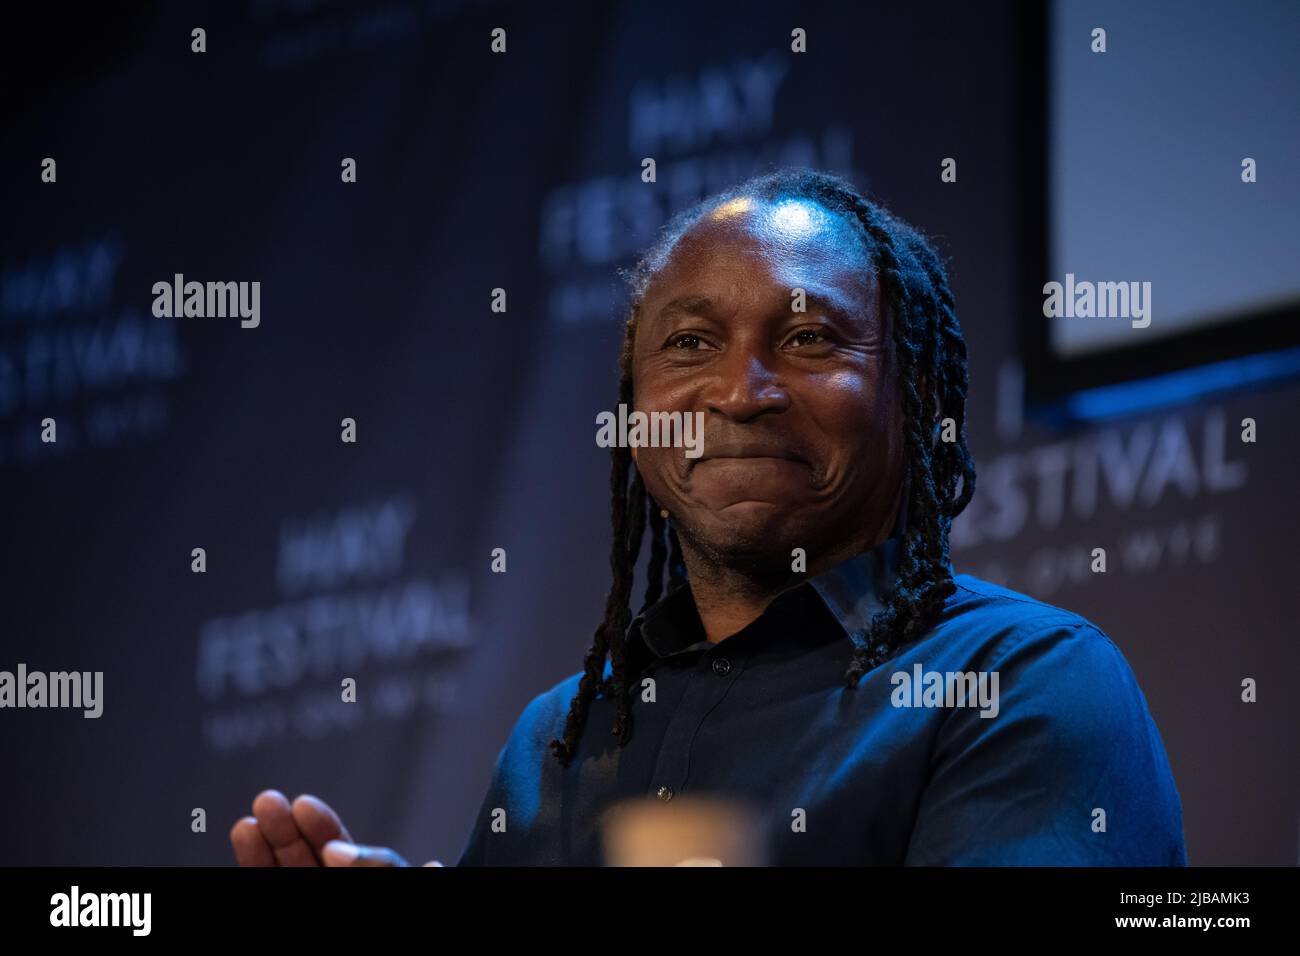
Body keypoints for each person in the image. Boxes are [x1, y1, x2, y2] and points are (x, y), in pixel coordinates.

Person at [230, 168, 1187, 867]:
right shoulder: (561, 741)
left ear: (915, 392)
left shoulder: (1027, 680)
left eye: (810, 337)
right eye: (690, 342)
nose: (740, 391)